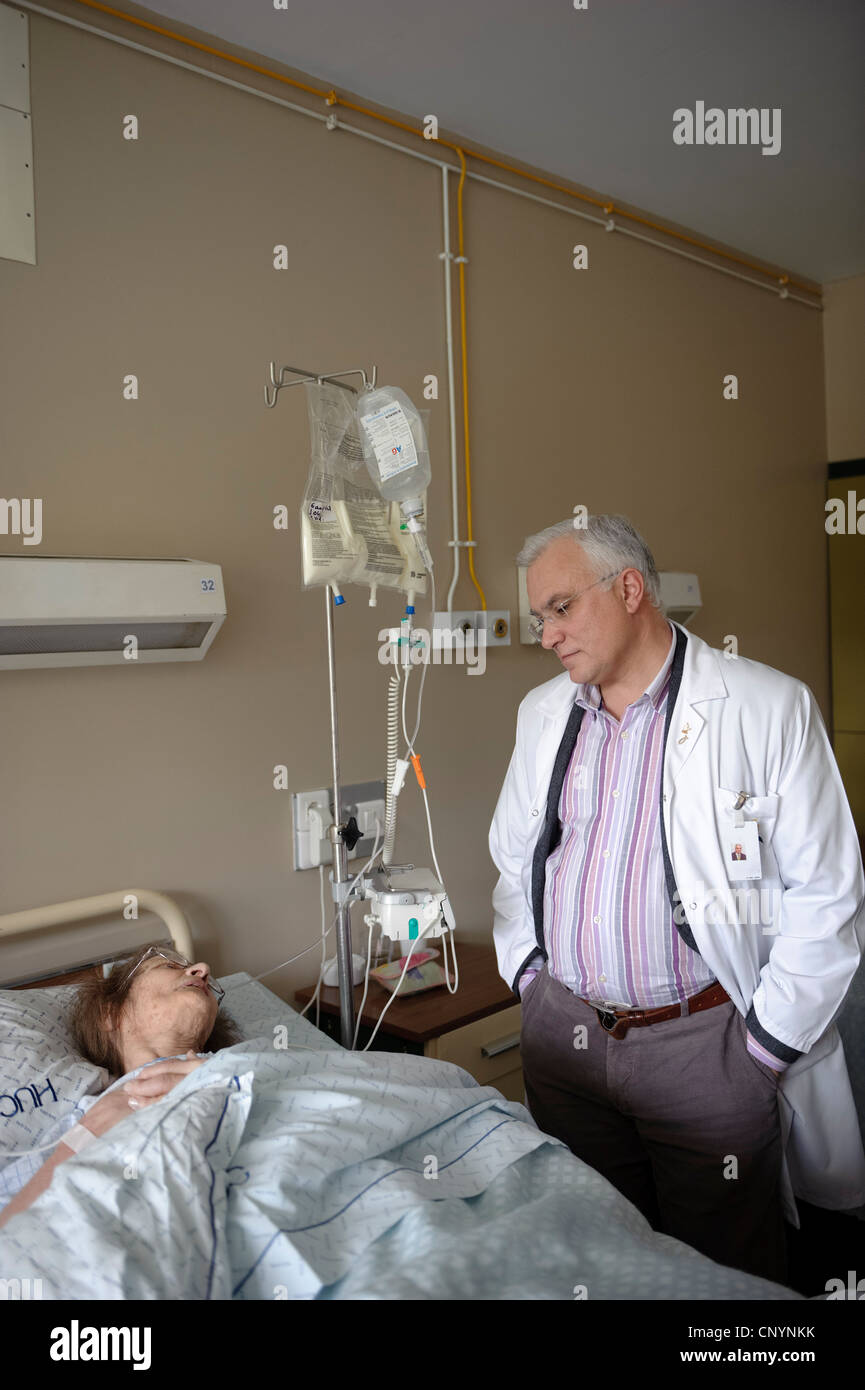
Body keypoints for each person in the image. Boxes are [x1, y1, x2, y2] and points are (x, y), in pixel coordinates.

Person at [489, 513, 865, 1285]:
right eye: (538, 619)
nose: (547, 635)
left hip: (704, 1048)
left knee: (720, 1272)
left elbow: (826, 893)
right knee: (594, 1253)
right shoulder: (541, 715)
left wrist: (759, 1052)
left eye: (560, 607)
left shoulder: (766, 707)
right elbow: (514, 859)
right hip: (565, 1041)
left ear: (628, 589)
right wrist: (531, 980)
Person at [0, 945, 240, 1229]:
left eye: (211, 987)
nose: (203, 969)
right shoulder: (86, 1117)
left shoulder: (247, 1066)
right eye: (168, 966)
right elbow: (13, 1234)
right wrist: (89, 1134)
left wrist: (228, 1085)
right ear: (110, 1015)